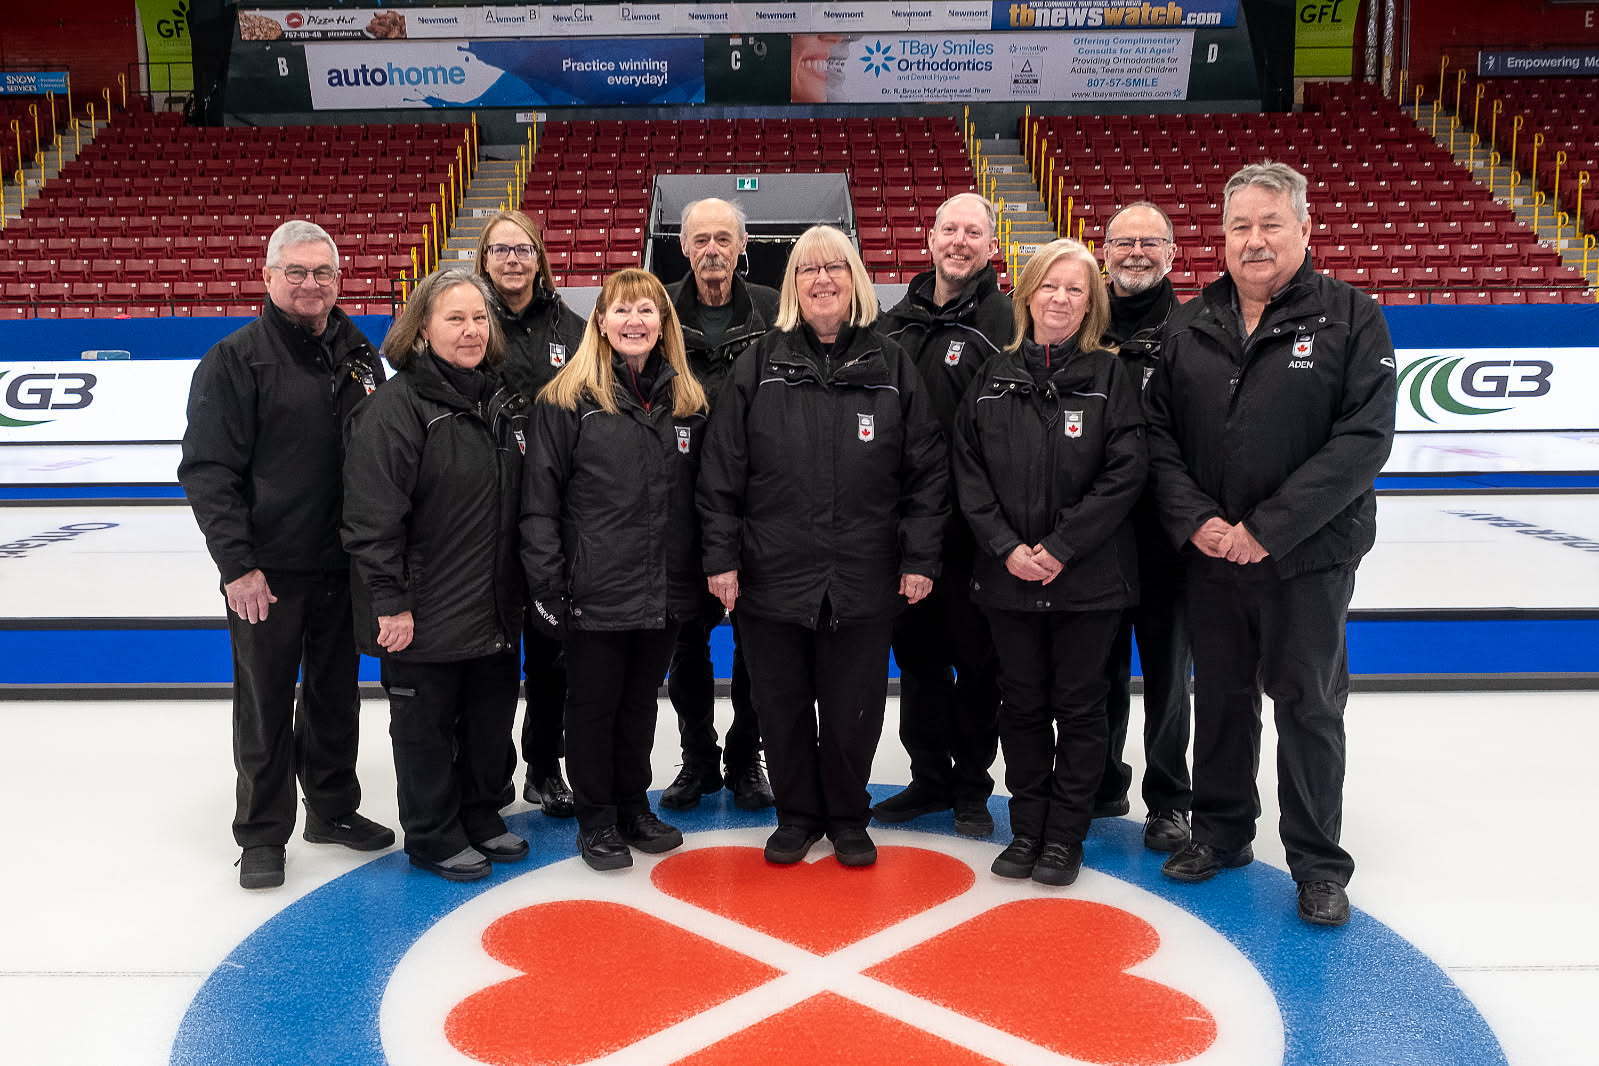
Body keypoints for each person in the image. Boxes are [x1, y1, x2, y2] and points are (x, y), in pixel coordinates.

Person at [1145, 162, 1396, 926]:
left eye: (1269, 225)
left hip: (1307, 560)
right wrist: (1198, 522)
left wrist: (1269, 529)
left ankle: (1317, 863)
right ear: (1219, 240)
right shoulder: (1188, 324)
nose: (1253, 242)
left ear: (1304, 230)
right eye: (1239, 228)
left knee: (1308, 707)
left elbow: (1361, 442)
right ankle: (1220, 833)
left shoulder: (1351, 317)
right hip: (1213, 557)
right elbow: (1156, 437)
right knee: (1219, 701)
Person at [698, 225, 948, 869]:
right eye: (808, 270)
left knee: (852, 711)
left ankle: (845, 814)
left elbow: (926, 473)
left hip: (864, 576)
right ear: (792, 286)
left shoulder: (893, 366)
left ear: (855, 280)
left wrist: (921, 558)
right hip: (771, 573)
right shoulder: (759, 365)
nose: (822, 280)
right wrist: (721, 559)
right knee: (778, 706)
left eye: (834, 267)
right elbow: (721, 471)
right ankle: (797, 815)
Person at [179, 219, 394, 891]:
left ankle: (331, 810)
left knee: (336, 697)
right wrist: (237, 566)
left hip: (341, 563)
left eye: (322, 272)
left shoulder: (358, 351)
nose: (310, 284)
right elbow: (208, 470)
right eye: (295, 272)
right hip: (266, 571)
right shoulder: (235, 360)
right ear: (267, 277)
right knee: (266, 703)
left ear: (339, 279)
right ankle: (262, 833)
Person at [952, 239, 1148, 887]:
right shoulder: (991, 376)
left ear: (1089, 301)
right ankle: (1027, 826)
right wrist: (1006, 547)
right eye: (1050, 286)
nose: (1061, 299)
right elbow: (967, 472)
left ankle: (1064, 837)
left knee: (1080, 706)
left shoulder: (1108, 375)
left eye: (1075, 289)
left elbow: (1125, 473)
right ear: (1028, 293)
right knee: (1023, 705)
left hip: (1086, 581)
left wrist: (1062, 546)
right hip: (1006, 579)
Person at [341, 268, 530, 883]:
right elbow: (372, 518)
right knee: (425, 730)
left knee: (487, 721)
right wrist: (389, 603)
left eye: (479, 318)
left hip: (495, 604)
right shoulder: (396, 410)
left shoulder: (502, 399)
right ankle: (431, 832)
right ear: (422, 329)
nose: (471, 330)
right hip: (423, 608)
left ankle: (480, 813)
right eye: (455, 318)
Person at [521, 269, 709, 871]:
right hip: (593, 588)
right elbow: (539, 502)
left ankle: (633, 805)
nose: (634, 321)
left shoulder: (688, 402)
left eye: (646, 311)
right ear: (599, 322)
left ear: (664, 324)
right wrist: (549, 583)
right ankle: (596, 820)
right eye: (621, 310)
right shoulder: (564, 401)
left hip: (663, 589)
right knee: (594, 706)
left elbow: (702, 500)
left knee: (639, 705)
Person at [873, 192, 1010, 837]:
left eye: (973, 233)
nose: (959, 241)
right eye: (949, 229)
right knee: (920, 661)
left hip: (975, 534)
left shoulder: (1004, 323)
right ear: (929, 238)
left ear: (991, 246)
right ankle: (929, 777)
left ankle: (972, 787)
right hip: (904, 531)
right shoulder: (893, 324)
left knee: (978, 664)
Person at [659, 197, 775, 812]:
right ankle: (696, 757)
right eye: (699, 238)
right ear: (683, 246)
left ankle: (746, 756)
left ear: (741, 245)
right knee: (687, 644)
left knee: (756, 643)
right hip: (677, 509)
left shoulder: (775, 311)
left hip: (757, 509)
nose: (711, 250)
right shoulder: (658, 314)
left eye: (722, 239)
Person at [474, 209, 585, 820]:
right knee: (489, 652)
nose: (512, 260)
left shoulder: (572, 327)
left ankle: (546, 767)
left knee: (551, 653)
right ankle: (487, 778)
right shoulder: (464, 319)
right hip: (481, 509)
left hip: (551, 510)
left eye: (523, 249)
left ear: (540, 258)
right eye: (500, 250)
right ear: (483, 259)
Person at [1093, 202, 1195, 853]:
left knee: (1165, 676)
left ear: (1171, 253)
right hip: (1095, 537)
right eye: (1122, 241)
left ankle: (1168, 801)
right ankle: (1099, 783)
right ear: (1102, 251)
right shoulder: (1077, 320)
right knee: (1093, 672)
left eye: (1148, 242)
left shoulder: (1195, 331)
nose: (1134, 252)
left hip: (1165, 539)